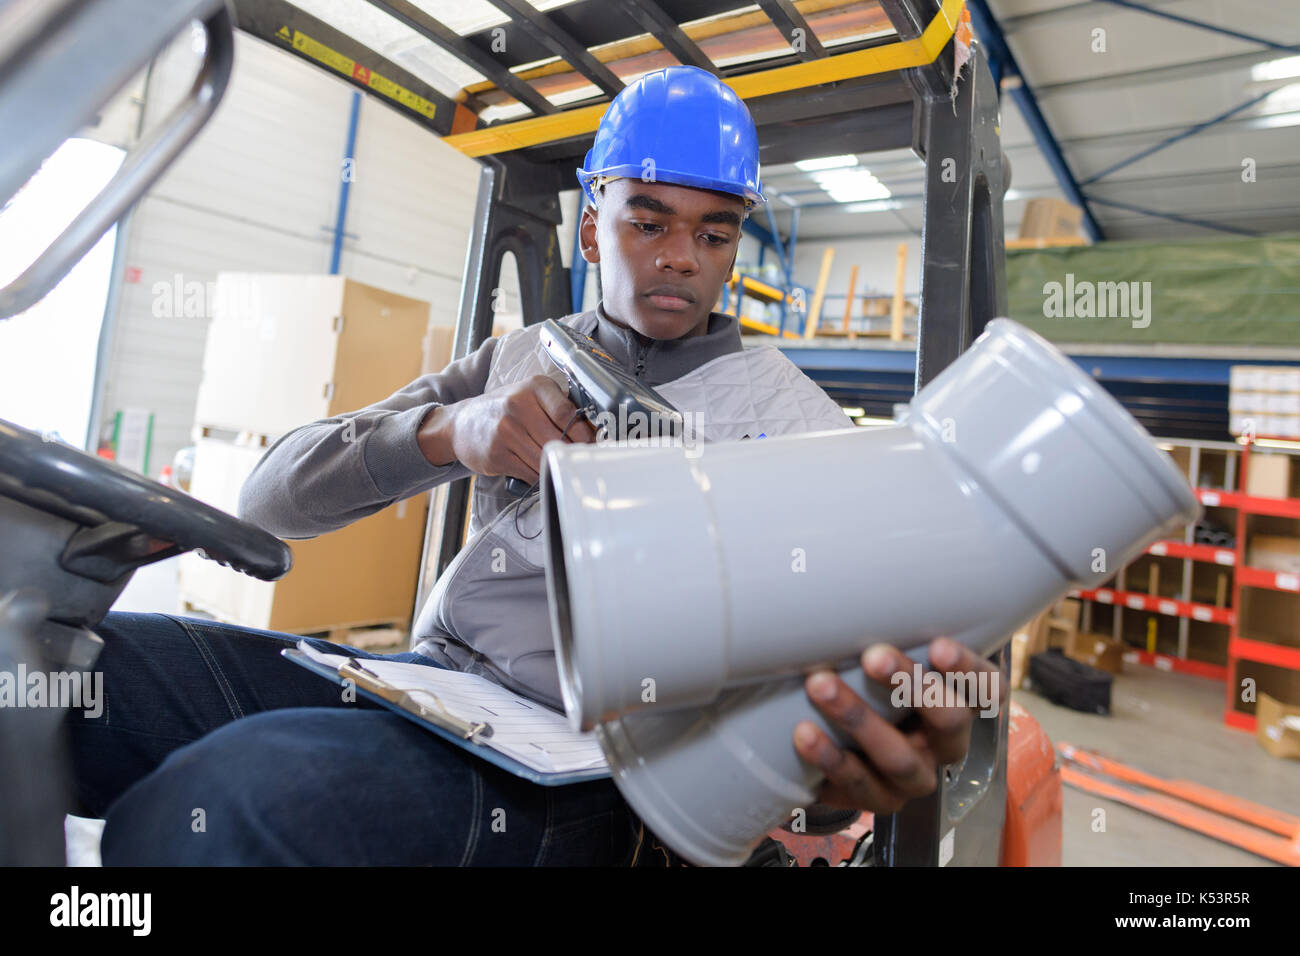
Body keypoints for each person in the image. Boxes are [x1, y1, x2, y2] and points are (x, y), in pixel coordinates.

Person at [67, 66, 996, 866]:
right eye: (649, 221)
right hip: (426, 686)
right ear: (591, 229)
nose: (681, 258)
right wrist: (449, 432)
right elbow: (270, 499)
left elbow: (842, 726)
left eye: (714, 233)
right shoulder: (518, 359)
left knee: (239, 799)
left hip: (598, 774)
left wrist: (846, 758)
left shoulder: (798, 427)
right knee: (71, 669)